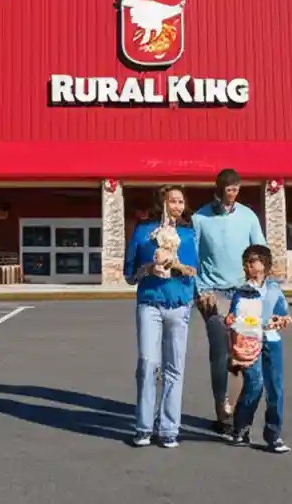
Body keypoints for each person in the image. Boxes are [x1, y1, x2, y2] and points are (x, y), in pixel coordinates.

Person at [123, 184, 199, 448]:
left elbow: (195, 270)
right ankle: (143, 426)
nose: (177, 206)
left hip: (179, 306)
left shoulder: (189, 234)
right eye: (172, 201)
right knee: (147, 363)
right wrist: (148, 268)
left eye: (181, 201)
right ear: (162, 203)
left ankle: (168, 428)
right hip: (150, 305)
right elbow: (129, 274)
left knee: (174, 367)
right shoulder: (144, 231)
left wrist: (179, 267)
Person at [191, 168, 266, 435]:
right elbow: (192, 257)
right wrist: (200, 289)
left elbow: (260, 252)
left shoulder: (248, 216)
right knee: (220, 352)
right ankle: (221, 409)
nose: (231, 195)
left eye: (235, 190)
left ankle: (232, 413)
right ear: (218, 189)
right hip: (212, 292)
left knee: (240, 351)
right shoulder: (200, 218)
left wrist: (261, 285)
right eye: (227, 190)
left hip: (242, 293)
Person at [225, 244, 292, 453]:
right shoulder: (242, 291)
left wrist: (282, 320)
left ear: (263, 264)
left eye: (252, 262)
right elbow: (233, 320)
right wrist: (247, 325)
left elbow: (284, 315)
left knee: (275, 389)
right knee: (254, 384)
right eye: (245, 262)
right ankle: (241, 429)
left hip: (272, 342)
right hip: (250, 344)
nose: (247, 266)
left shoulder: (274, 289)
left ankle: (273, 434)